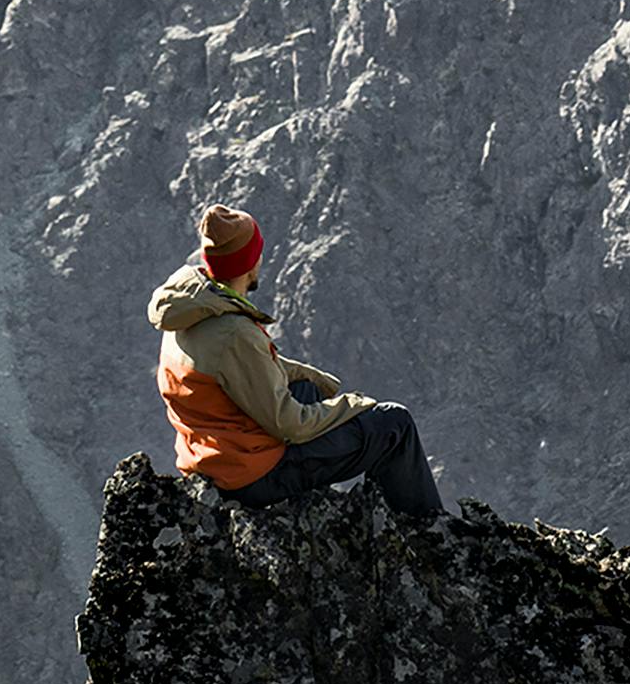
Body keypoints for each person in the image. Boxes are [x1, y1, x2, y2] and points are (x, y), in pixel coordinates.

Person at [149, 204, 443, 520]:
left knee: (306, 390)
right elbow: (290, 423)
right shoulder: (234, 333)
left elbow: (240, 371)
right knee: (394, 424)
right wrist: (356, 405)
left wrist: (308, 376)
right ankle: (427, 532)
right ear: (250, 263)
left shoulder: (189, 310)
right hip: (251, 476)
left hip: (214, 457)